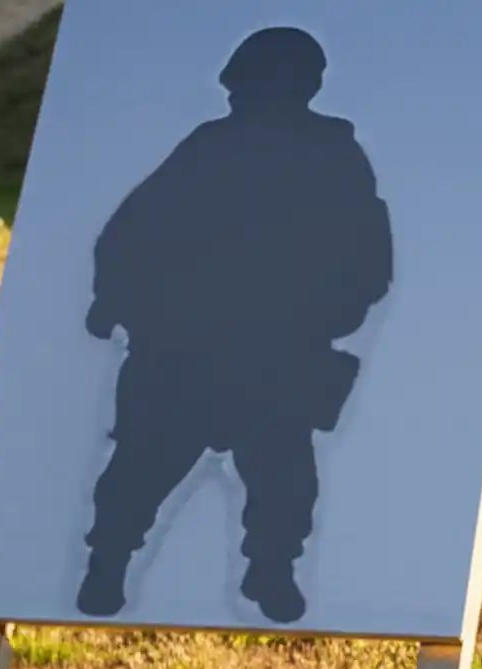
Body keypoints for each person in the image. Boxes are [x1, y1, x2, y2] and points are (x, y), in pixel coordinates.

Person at [77, 26, 393, 624]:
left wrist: (333, 312)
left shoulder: (332, 155)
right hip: (181, 347)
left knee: (283, 482)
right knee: (140, 471)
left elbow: (366, 246)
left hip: (276, 349)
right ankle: (107, 563)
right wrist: (112, 298)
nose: (231, 91)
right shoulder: (210, 146)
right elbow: (135, 227)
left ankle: (270, 569)